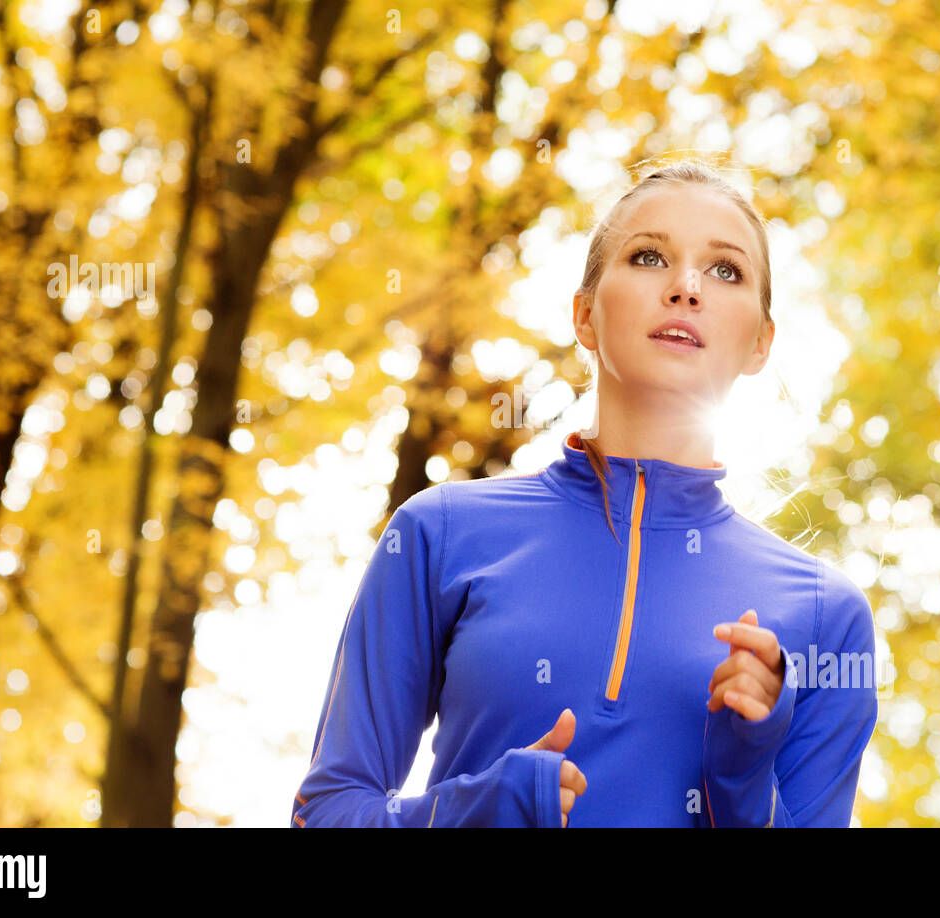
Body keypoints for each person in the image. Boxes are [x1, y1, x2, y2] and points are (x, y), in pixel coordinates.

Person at [291, 159, 878, 827]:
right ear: (585, 316)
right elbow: (328, 812)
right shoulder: (439, 532)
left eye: (725, 270)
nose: (686, 287)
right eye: (649, 256)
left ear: (760, 344)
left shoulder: (826, 615)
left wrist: (743, 769)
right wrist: (471, 814)